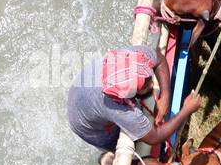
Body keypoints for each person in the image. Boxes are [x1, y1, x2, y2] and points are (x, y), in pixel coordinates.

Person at [66, 44, 201, 152]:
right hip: (87, 125)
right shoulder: (117, 108)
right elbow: (155, 137)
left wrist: (165, 96)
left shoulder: (130, 59)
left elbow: (158, 59)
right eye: (146, 84)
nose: (152, 84)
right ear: (127, 94)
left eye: (148, 78)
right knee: (124, 144)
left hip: (82, 90)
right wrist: (186, 110)